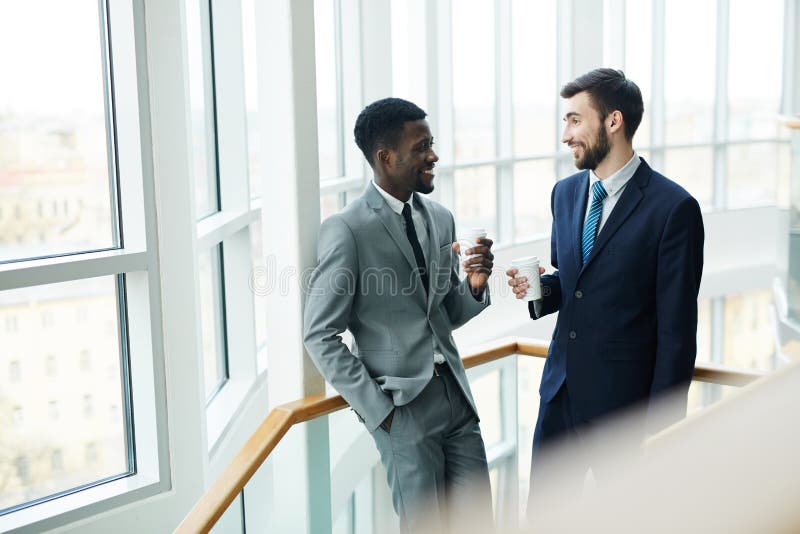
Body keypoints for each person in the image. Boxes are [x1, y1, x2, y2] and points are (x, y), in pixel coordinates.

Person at [506, 68, 705, 513]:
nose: (565, 135)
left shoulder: (674, 209)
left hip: (626, 416)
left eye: (575, 120)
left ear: (613, 122)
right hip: (559, 398)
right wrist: (539, 289)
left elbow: (677, 331)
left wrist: (664, 428)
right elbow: (574, 285)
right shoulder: (565, 193)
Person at [304, 97, 495, 533]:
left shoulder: (441, 219)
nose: (433, 155)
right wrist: (382, 414)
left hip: (456, 400)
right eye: (422, 146)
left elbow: (442, 312)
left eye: (432, 143)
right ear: (385, 158)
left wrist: (476, 287)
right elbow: (319, 334)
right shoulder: (347, 230)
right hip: (403, 411)